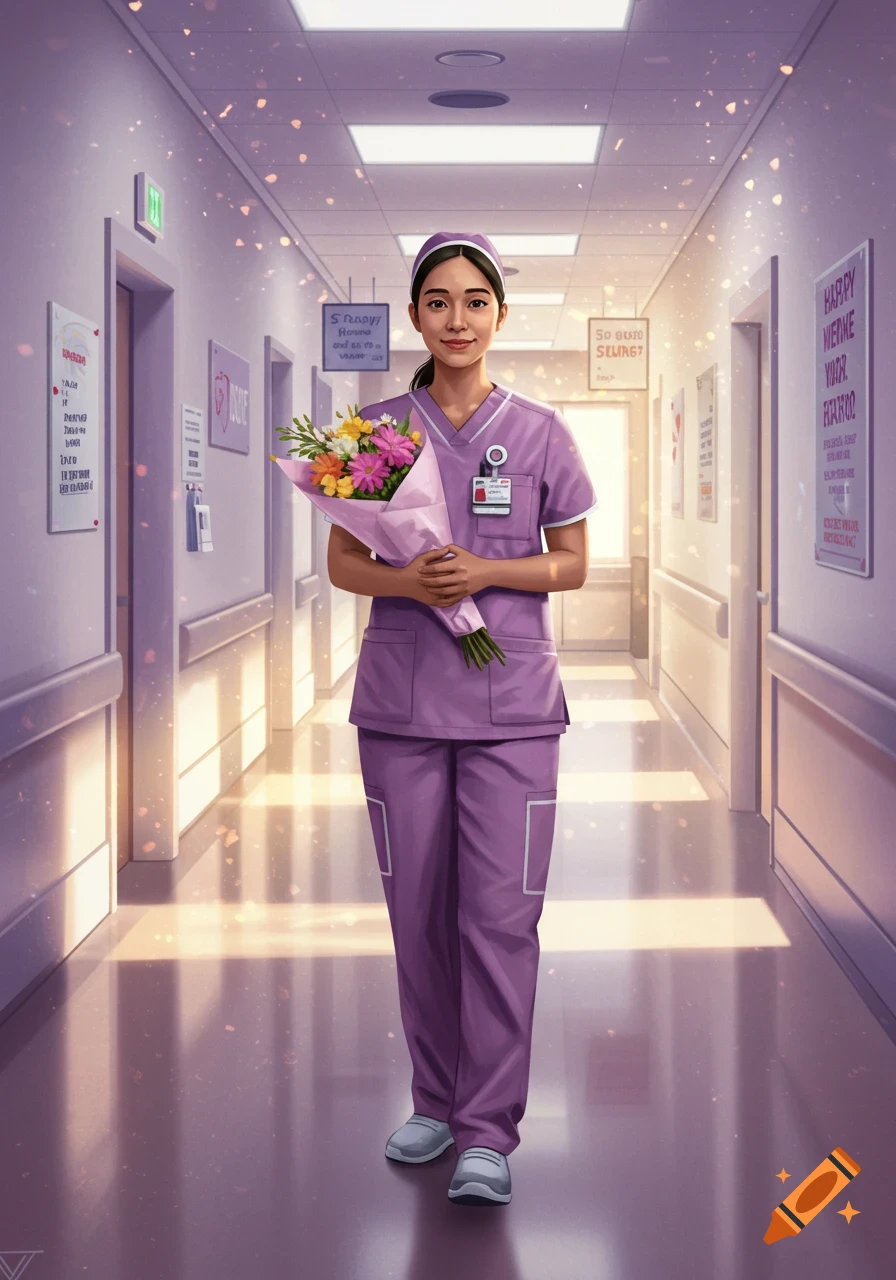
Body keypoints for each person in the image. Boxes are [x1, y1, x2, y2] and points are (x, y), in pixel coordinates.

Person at [327, 232, 597, 1206]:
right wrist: (408, 579)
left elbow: (569, 563)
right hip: (400, 708)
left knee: (498, 918)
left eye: (473, 301)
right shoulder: (375, 431)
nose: (455, 318)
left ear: (498, 316)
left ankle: (487, 1130)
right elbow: (341, 565)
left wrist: (482, 571)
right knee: (418, 916)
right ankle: (432, 1100)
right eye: (436, 301)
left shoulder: (540, 432)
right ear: (414, 316)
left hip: (512, 708)